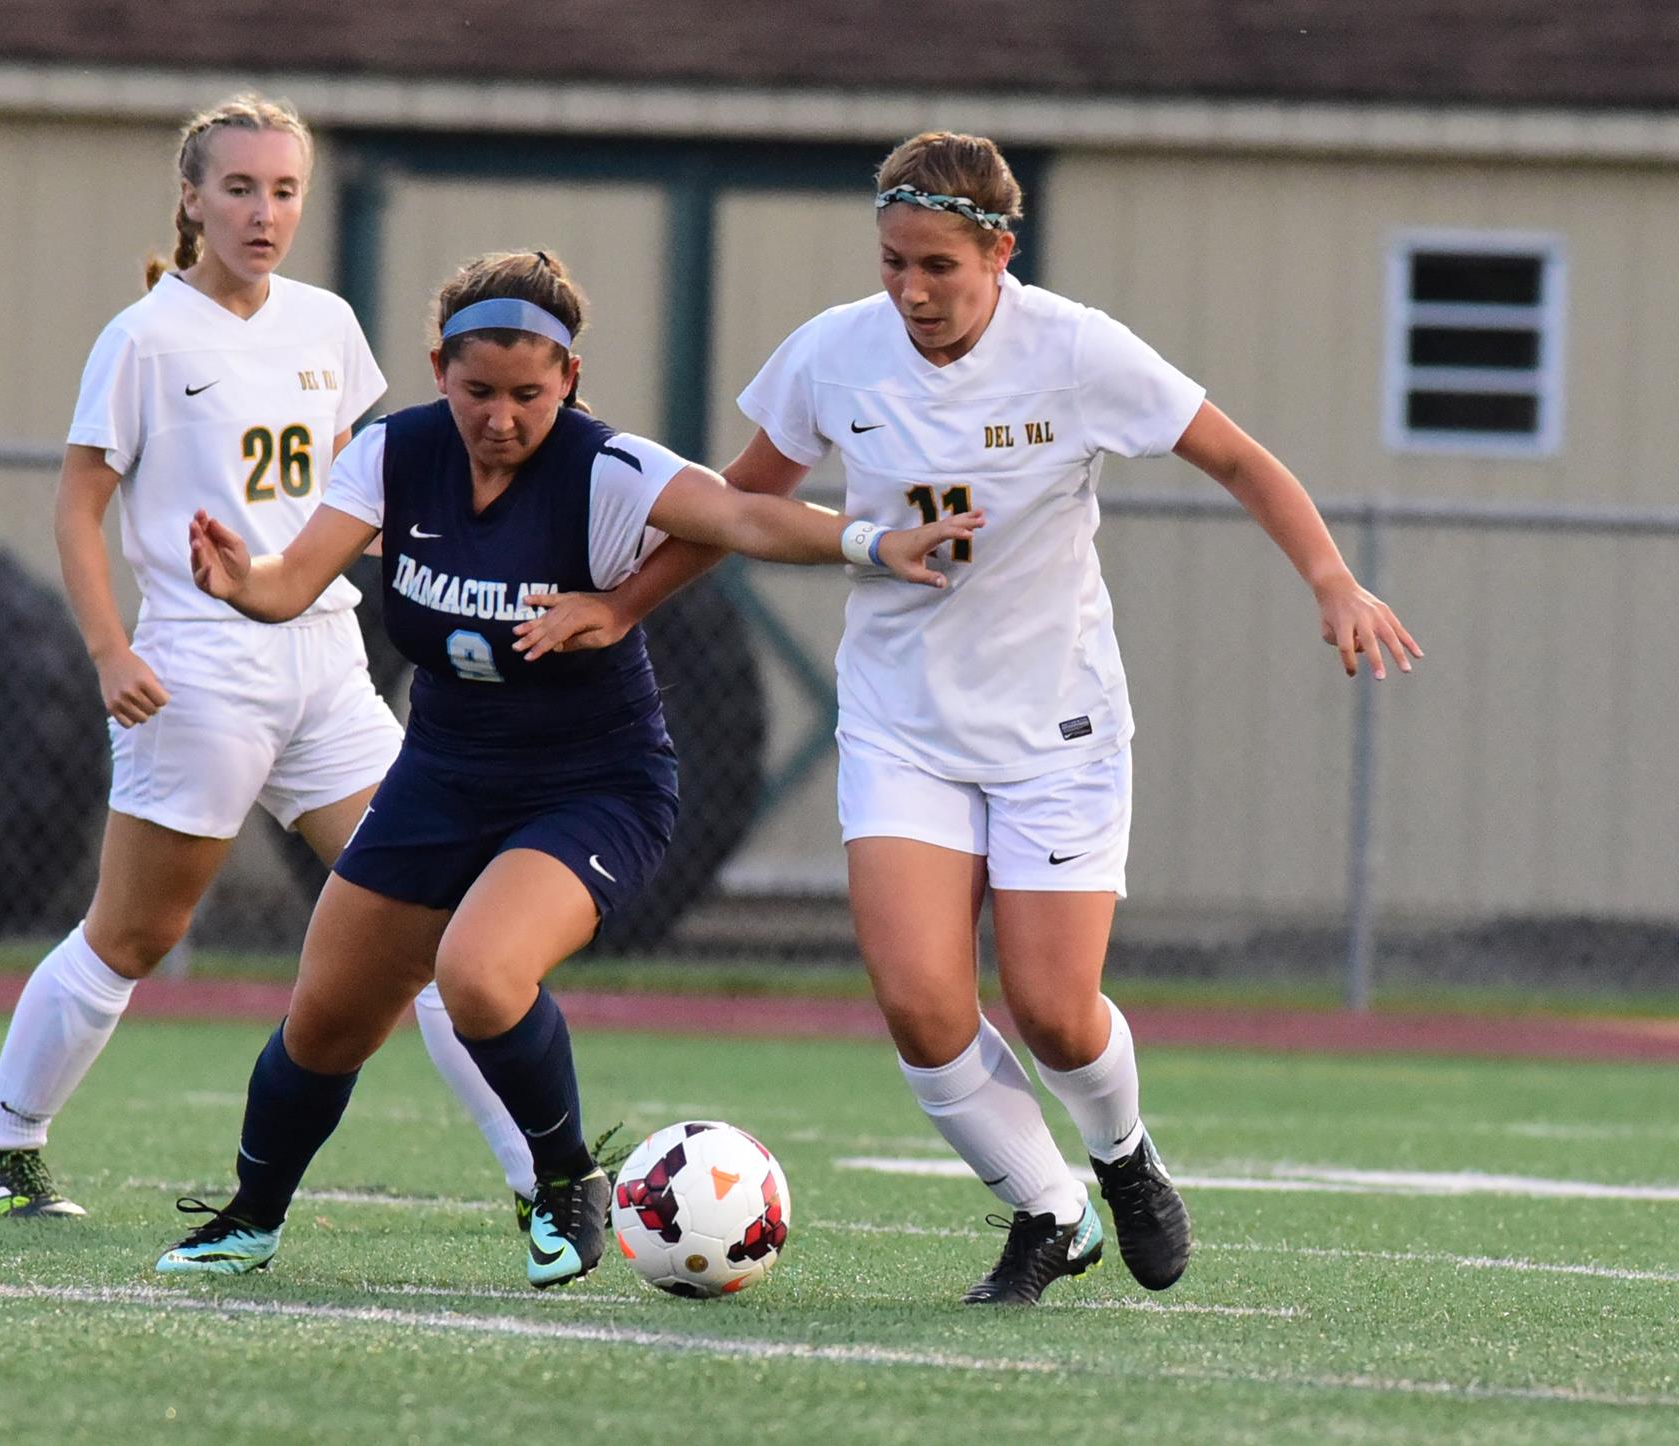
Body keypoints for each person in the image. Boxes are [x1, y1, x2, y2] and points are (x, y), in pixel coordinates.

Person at [515, 132, 1422, 1305]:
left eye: (937, 264)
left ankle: (1123, 1157)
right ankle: (1046, 1211)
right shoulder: (833, 355)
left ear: (1000, 249)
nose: (910, 290)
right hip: (900, 723)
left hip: (1056, 728)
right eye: (893, 261)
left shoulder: (1076, 349)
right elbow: (737, 507)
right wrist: (621, 605)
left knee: (1052, 1010)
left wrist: (1330, 579)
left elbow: (1237, 459)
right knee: (920, 1000)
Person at [152, 250, 973, 1287]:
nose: (500, 417)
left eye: (527, 395)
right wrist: (241, 581)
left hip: (594, 783)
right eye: (477, 391)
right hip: (442, 774)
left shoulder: (605, 469)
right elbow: (287, 586)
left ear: (570, 378)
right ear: (437, 369)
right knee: (324, 1014)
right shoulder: (391, 454)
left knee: (481, 973)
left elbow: (742, 514)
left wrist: (870, 542)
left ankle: (564, 1179)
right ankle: (250, 1219)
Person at [0, 95, 533, 1222]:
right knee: (135, 933)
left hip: (324, 663)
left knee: (438, 919)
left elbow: (369, 486)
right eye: (238, 188)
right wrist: (107, 648)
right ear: (191, 198)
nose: (263, 212)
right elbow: (80, 503)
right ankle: (0, 1146)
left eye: (283, 191)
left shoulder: (324, 322)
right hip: (201, 670)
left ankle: (545, 1179)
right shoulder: (145, 338)